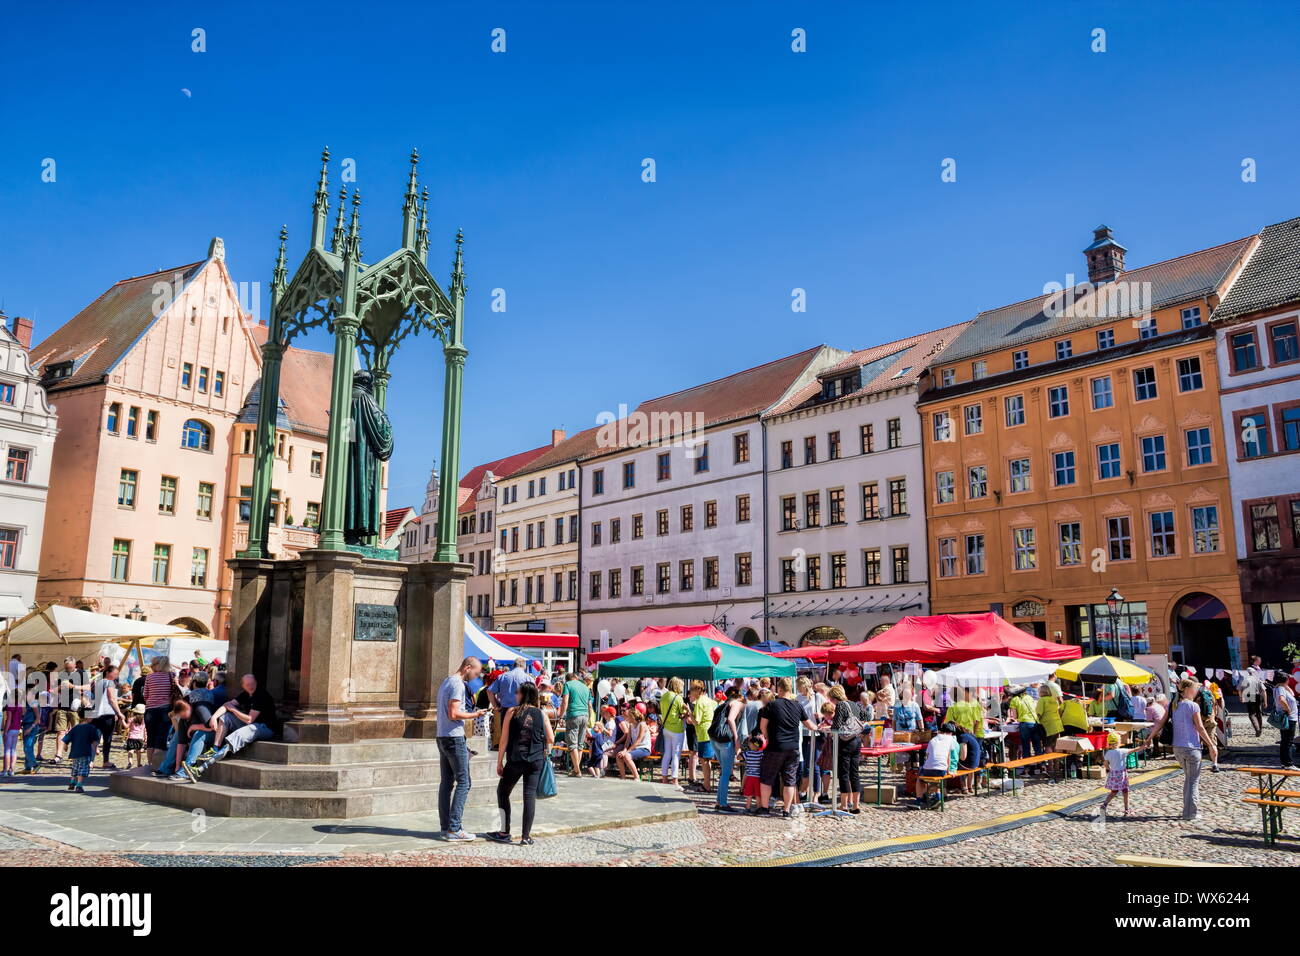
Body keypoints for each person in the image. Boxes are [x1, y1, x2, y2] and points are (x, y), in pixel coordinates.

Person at [485, 682, 554, 847]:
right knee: (529, 796)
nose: (515, 695)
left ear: (523, 694)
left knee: (502, 792)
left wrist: (499, 761)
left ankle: (504, 831)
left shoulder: (511, 711)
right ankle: (525, 836)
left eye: (517, 692)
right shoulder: (541, 713)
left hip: (516, 759)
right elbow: (551, 738)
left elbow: (504, 739)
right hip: (535, 760)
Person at [1146, 677, 1218, 822]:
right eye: (1195, 688)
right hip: (1191, 748)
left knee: (1188, 779)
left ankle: (1187, 809)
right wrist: (1211, 745)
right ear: (1188, 690)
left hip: (1177, 748)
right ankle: (1190, 813)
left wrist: (1150, 737)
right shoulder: (1193, 706)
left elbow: (1161, 723)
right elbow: (1200, 728)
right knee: (1193, 781)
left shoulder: (1173, 705)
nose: (1197, 691)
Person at [434, 658, 487, 842]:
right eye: (476, 672)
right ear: (467, 667)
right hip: (454, 737)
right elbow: (454, 713)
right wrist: (476, 714)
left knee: (446, 784)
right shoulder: (457, 684)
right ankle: (454, 828)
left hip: (442, 735)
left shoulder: (446, 681)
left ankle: (446, 827)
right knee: (464, 782)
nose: (477, 676)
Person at [759, 676, 820, 817]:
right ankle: (786, 810)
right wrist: (820, 727)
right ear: (790, 689)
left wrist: (768, 737)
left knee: (767, 778)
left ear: (779, 689)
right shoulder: (797, 705)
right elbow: (810, 725)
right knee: (790, 780)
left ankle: (765, 808)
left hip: (775, 746)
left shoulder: (771, 705)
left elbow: (763, 726)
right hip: (793, 748)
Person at [827, 684, 865, 813]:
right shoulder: (854, 704)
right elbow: (866, 716)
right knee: (854, 773)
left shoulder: (841, 705)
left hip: (845, 742)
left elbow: (836, 725)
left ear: (834, 697)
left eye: (831, 699)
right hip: (857, 739)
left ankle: (843, 804)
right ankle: (856, 804)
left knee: (843, 773)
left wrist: (830, 729)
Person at [711, 686, 743, 812]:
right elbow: (730, 719)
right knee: (726, 773)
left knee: (724, 771)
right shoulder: (736, 703)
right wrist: (736, 739)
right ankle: (723, 803)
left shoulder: (723, 705)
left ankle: (719, 802)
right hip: (725, 741)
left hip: (715, 739)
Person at [487, 658, 531, 750]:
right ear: (524, 666)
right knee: (521, 741)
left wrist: (496, 705)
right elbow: (535, 695)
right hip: (523, 711)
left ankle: (508, 761)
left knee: (506, 740)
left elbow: (489, 691)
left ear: (513, 665)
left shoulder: (503, 677)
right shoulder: (528, 678)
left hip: (506, 711)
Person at [88, 664, 125, 770]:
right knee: (107, 738)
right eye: (115, 673)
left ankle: (90, 761)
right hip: (107, 714)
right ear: (108, 673)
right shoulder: (110, 683)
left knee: (95, 739)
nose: (117, 675)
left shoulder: (98, 682)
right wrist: (118, 713)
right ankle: (106, 761)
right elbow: (112, 699)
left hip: (96, 713)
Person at [142, 657, 178, 765]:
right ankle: (158, 764)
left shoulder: (149, 677)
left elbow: (145, 695)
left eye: (153, 664)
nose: (151, 666)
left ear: (158, 665)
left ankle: (150, 763)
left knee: (151, 737)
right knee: (162, 736)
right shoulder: (171, 676)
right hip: (165, 709)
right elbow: (174, 692)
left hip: (150, 710)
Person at [685, 683, 717, 794]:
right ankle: (707, 784)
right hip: (709, 732)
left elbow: (696, 721)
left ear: (698, 690)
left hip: (703, 733)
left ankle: (706, 785)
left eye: (691, 690)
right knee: (707, 760)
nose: (690, 692)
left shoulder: (699, 702)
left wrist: (689, 712)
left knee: (704, 761)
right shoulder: (709, 700)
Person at [919, 723, 959, 808]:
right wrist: (949, 771)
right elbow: (949, 758)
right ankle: (937, 796)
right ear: (951, 733)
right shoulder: (951, 739)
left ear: (940, 731)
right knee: (938, 776)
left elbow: (928, 755)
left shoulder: (933, 739)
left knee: (919, 779)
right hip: (941, 770)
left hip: (928, 769)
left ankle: (919, 799)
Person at [559, 671, 591, 777]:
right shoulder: (585, 687)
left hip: (573, 715)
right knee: (580, 744)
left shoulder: (568, 684)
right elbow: (589, 705)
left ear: (568, 679)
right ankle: (575, 769)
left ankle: (577, 770)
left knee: (572, 744)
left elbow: (565, 701)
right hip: (585, 715)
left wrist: (560, 716)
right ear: (576, 678)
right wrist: (589, 718)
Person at [1099, 732, 1137, 820]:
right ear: (1117, 742)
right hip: (1122, 774)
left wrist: (1109, 768)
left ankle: (1104, 804)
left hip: (1114, 774)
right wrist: (1143, 746)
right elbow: (1134, 750)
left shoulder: (1108, 753)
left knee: (1114, 791)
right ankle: (1127, 809)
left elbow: (1105, 763)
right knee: (1125, 791)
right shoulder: (1122, 751)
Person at [61, 713, 102, 792]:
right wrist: (96, 749)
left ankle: (72, 782)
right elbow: (94, 741)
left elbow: (66, 739)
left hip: (75, 752)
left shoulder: (75, 728)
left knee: (75, 767)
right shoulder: (91, 728)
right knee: (83, 768)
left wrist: (65, 746)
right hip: (85, 752)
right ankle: (79, 785)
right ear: (88, 718)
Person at [658, 677, 687, 785]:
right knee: (676, 755)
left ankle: (664, 778)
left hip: (666, 728)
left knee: (667, 754)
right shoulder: (678, 698)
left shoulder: (664, 696)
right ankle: (675, 779)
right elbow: (683, 713)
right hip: (677, 729)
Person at [615, 708, 653, 780]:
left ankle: (637, 777)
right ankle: (623, 777)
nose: (626, 718)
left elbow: (638, 741)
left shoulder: (642, 724)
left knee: (627, 756)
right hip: (635, 748)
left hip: (644, 748)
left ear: (632, 716)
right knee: (619, 755)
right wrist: (624, 750)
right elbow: (628, 740)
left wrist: (626, 752)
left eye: (628, 716)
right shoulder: (631, 726)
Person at [1270, 672, 1296, 769]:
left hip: (1288, 718)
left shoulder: (1279, 688)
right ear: (1285, 680)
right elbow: (1281, 699)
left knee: (1285, 741)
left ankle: (1284, 762)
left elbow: (1292, 694)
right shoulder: (1280, 689)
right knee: (1288, 741)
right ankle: (1288, 763)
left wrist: (1286, 686)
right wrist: (1288, 709)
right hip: (1288, 718)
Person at [1009, 685, 1042, 759]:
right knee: (1037, 746)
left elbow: (1014, 716)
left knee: (1026, 747)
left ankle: (1027, 768)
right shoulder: (1029, 697)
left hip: (1024, 724)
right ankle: (1041, 765)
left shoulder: (1014, 700)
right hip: (1034, 722)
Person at [741, 731, 766, 813]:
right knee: (758, 794)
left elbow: (738, 758)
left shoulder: (747, 753)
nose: (748, 745)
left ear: (754, 745)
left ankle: (747, 808)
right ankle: (759, 808)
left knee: (749, 794)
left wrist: (741, 753)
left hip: (749, 777)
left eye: (750, 743)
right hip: (758, 777)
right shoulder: (761, 754)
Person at [1239, 666, 1267, 738]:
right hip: (1258, 696)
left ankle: (1257, 729)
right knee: (1258, 712)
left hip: (1249, 695)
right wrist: (1265, 701)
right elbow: (1264, 691)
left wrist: (1241, 697)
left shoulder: (1245, 679)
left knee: (1251, 714)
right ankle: (1260, 729)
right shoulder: (1257, 679)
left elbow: (1240, 689)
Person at [1035, 683, 1064, 752]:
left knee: (1047, 745)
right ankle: (1056, 762)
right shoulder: (1053, 699)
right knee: (1055, 745)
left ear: (1041, 692)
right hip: (1057, 725)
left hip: (1048, 726)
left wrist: (1035, 721)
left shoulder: (1042, 700)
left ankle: (1050, 763)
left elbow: (1039, 713)